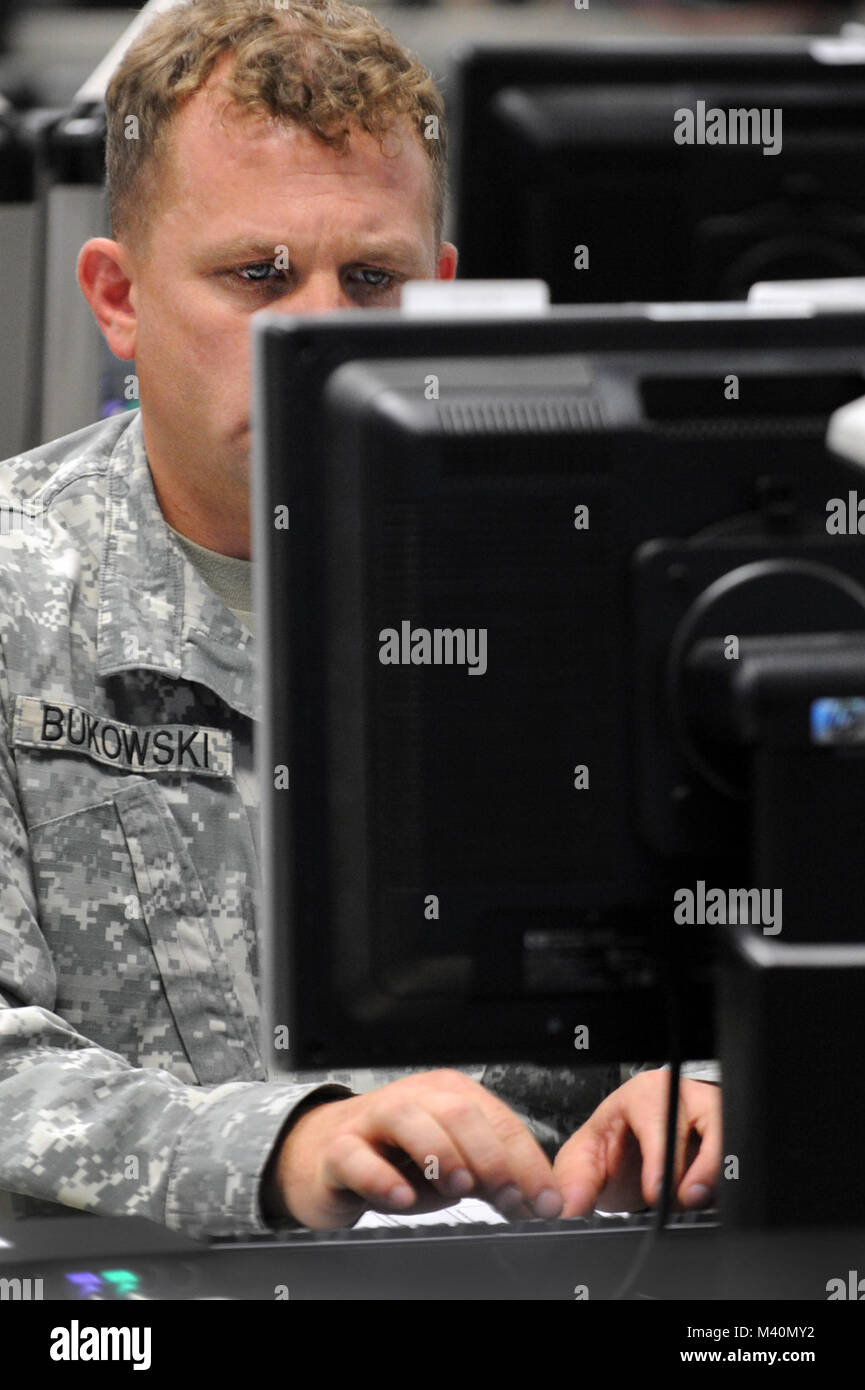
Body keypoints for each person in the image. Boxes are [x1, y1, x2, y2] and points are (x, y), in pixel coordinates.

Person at [0, 0, 720, 1239]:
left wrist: (706, 1080)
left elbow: (735, 947)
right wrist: (283, 1144)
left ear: (438, 296)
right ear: (118, 299)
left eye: (371, 279)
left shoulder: (598, 572)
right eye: (256, 277)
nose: (321, 330)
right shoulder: (17, 587)